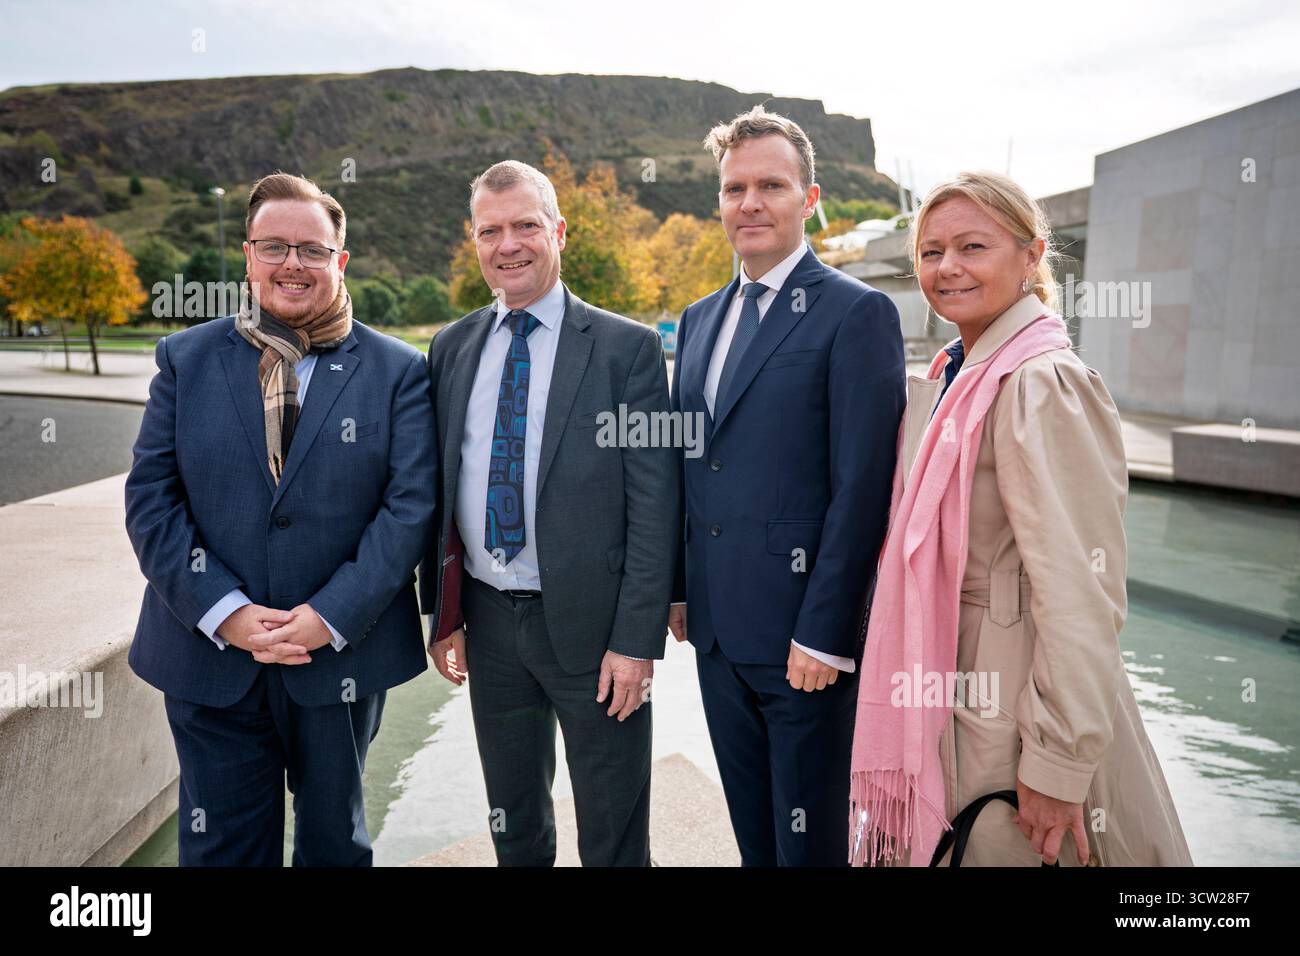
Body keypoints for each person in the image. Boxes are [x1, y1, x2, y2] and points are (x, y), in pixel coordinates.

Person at [849, 170, 1192, 867]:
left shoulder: (1043, 383)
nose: (947, 268)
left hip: (1010, 716)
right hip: (952, 685)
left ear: (1032, 256)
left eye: (973, 246)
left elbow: (1080, 594)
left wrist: (1060, 764)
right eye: (931, 251)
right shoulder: (954, 373)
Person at [124, 172, 437, 866]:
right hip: (209, 657)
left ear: (339, 262)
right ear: (248, 256)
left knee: (335, 845)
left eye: (312, 249)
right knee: (222, 851)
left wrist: (328, 616)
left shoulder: (399, 371)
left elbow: (410, 507)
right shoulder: (186, 359)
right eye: (274, 246)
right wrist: (226, 611)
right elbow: (151, 498)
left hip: (342, 657)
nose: (292, 263)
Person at [419, 160, 679, 867]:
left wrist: (636, 642)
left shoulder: (626, 350)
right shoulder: (451, 348)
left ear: (558, 231)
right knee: (515, 824)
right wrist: (444, 614)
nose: (509, 244)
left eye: (526, 225)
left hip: (597, 634)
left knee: (614, 832)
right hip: (489, 624)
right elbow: (441, 491)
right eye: (490, 230)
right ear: (474, 242)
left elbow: (655, 506)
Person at [668, 106, 906, 866]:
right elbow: (690, 463)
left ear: (808, 198)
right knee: (756, 842)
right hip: (714, 634)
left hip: (802, 640)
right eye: (734, 187)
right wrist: (677, 590)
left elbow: (863, 486)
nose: (750, 202)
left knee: (810, 850)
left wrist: (827, 634)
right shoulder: (698, 318)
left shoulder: (856, 313)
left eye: (771, 184)